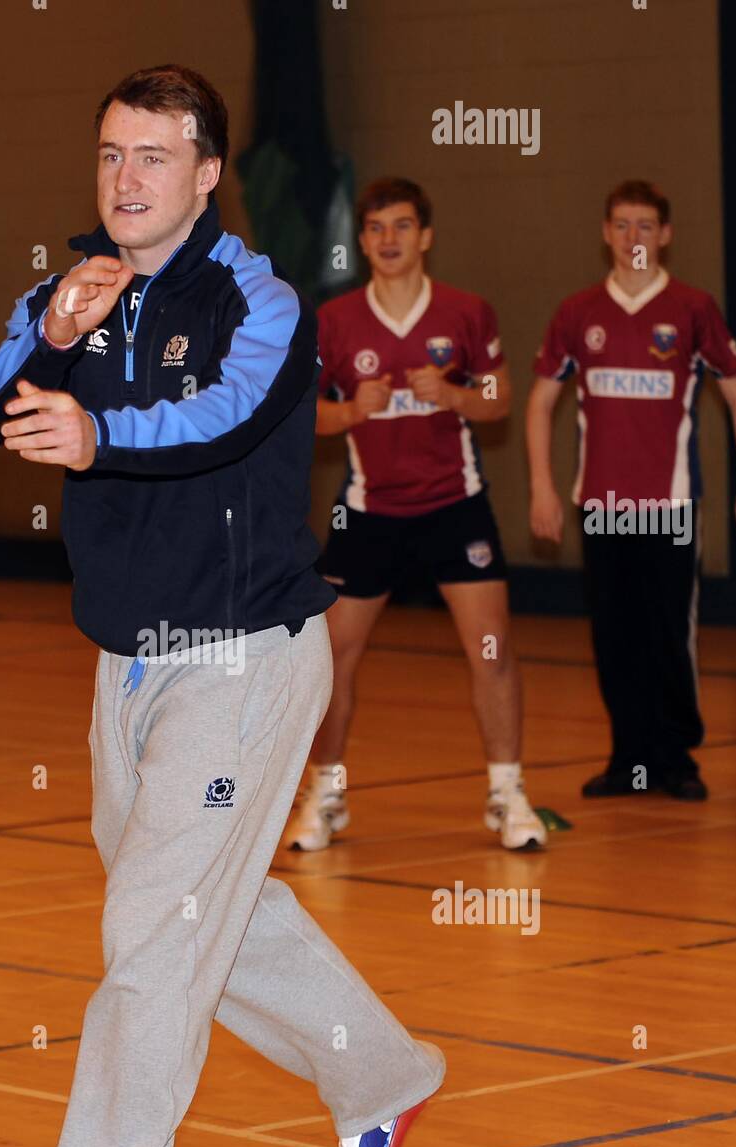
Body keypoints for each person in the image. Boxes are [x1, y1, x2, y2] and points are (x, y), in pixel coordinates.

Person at [0, 66, 444, 1147]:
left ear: (207, 171)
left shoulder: (259, 300)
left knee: (150, 927)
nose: (125, 179)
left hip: (239, 657)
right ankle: (379, 1076)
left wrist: (97, 432)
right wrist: (53, 335)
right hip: (124, 665)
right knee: (203, 914)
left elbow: (226, 421)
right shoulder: (71, 286)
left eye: (153, 157)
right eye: (110, 154)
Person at [284, 178, 546, 853]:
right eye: (375, 228)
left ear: (424, 236)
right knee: (332, 658)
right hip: (367, 512)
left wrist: (455, 395)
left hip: (455, 507)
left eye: (401, 226)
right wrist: (350, 412)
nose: (388, 240)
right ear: (362, 239)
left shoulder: (465, 312)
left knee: (489, 651)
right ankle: (327, 794)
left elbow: (498, 400)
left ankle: (508, 795)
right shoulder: (334, 321)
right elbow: (303, 415)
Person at [525, 179, 736, 800]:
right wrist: (542, 488)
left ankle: (676, 759)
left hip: (671, 506)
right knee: (614, 632)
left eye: (645, 226)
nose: (634, 237)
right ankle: (628, 758)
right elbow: (541, 401)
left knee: (669, 633)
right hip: (601, 507)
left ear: (665, 234)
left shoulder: (692, 308)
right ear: (606, 232)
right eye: (622, 225)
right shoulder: (578, 312)